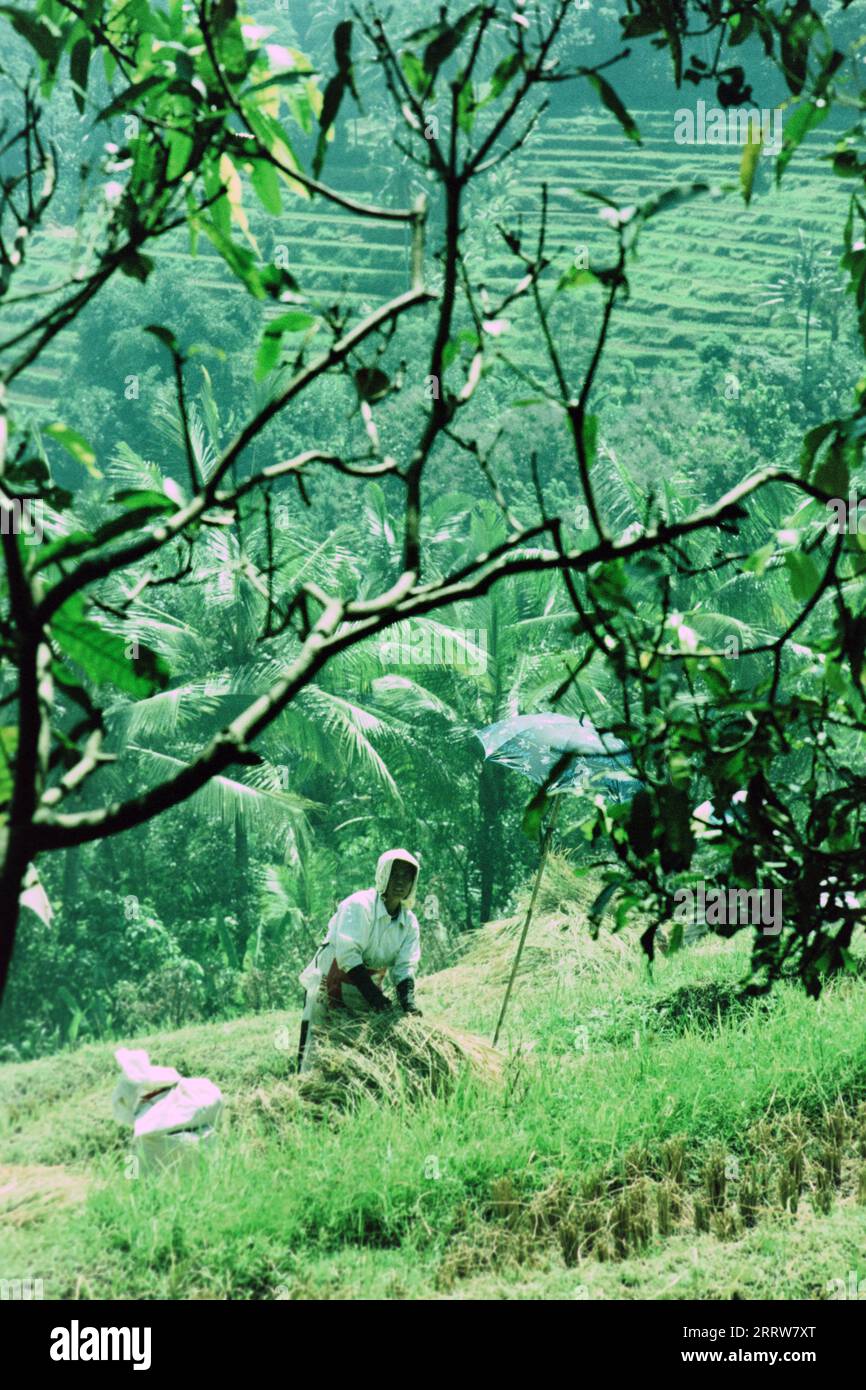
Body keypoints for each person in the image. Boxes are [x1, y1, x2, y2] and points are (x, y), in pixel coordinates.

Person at [297, 848, 423, 1074]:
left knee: (353, 1047)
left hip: (364, 984)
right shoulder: (359, 905)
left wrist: (408, 1005)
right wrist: (376, 997)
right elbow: (348, 955)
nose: (400, 881)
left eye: (407, 876)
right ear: (383, 874)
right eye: (395, 874)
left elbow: (404, 968)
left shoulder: (409, 923)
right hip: (330, 977)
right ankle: (305, 1085)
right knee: (318, 1042)